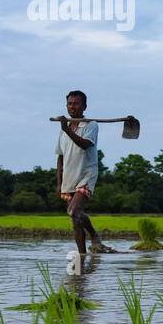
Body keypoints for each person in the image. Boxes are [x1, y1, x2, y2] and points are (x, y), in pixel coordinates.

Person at [56, 89, 114, 263]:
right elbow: (60, 157)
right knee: (76, 220)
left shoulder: (91, 125)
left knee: (73, 211)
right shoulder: (63, 131)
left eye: (76, 104)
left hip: (86, 174)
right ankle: (82, 256)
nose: (72, 107)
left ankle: (95, 236)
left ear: (84, 106)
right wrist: (59, 183)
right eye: (70, 103)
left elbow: (85, 145)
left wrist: (67, 129)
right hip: (69, 177)